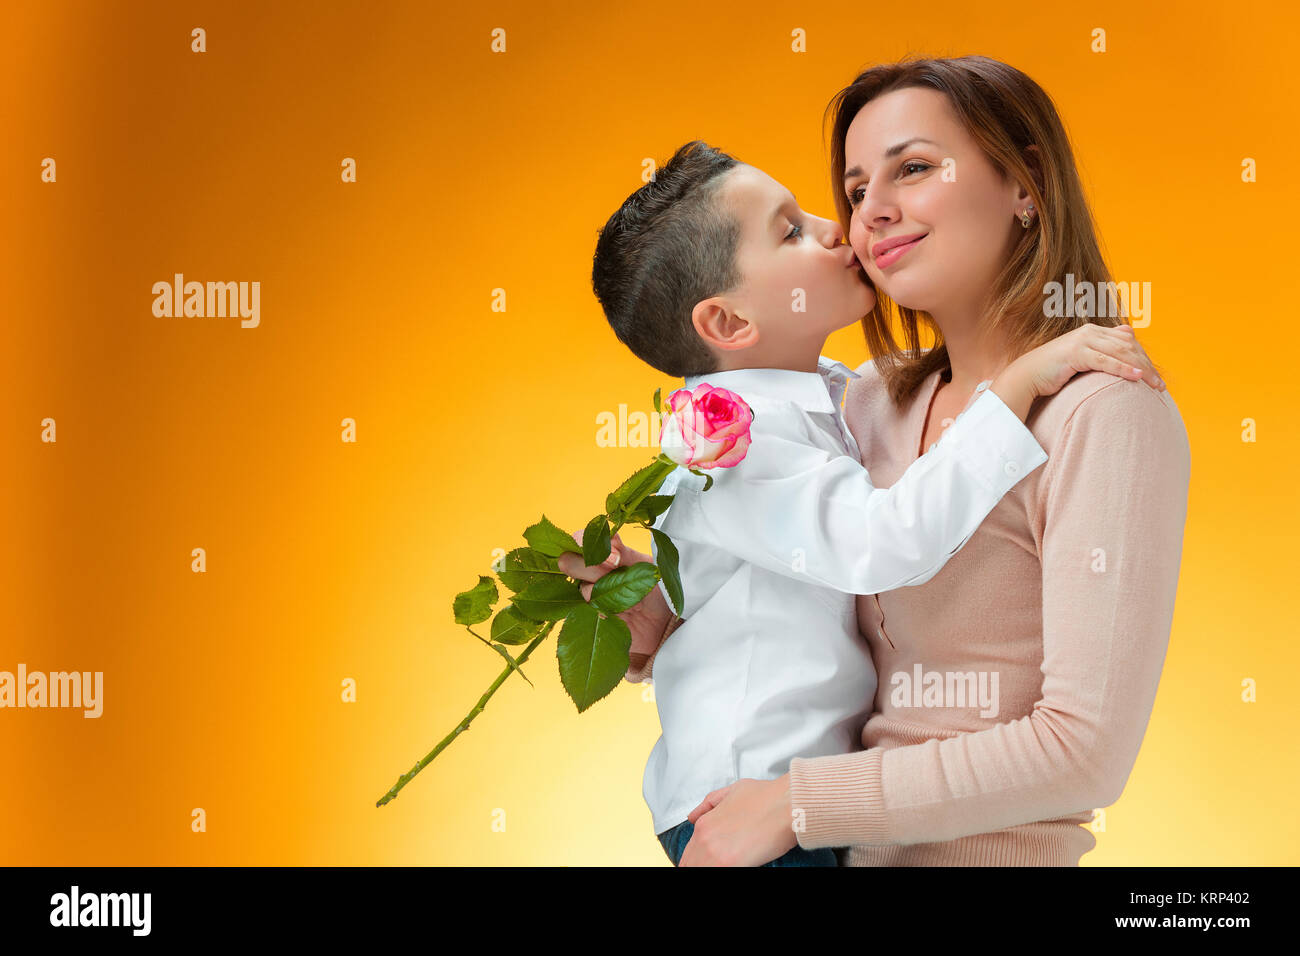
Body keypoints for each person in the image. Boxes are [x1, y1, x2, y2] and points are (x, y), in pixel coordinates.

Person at [572, 132, 1165, 866]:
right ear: (729, 324)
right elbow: (883, 541)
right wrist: (1010, 392)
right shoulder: (737, 440)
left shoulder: (846, 397)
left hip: (807, 810)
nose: (846, 224)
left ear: (1026, 186)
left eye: (915, 169)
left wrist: (656, 611)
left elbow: (753, 584)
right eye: (795, 228)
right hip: (743, 800)